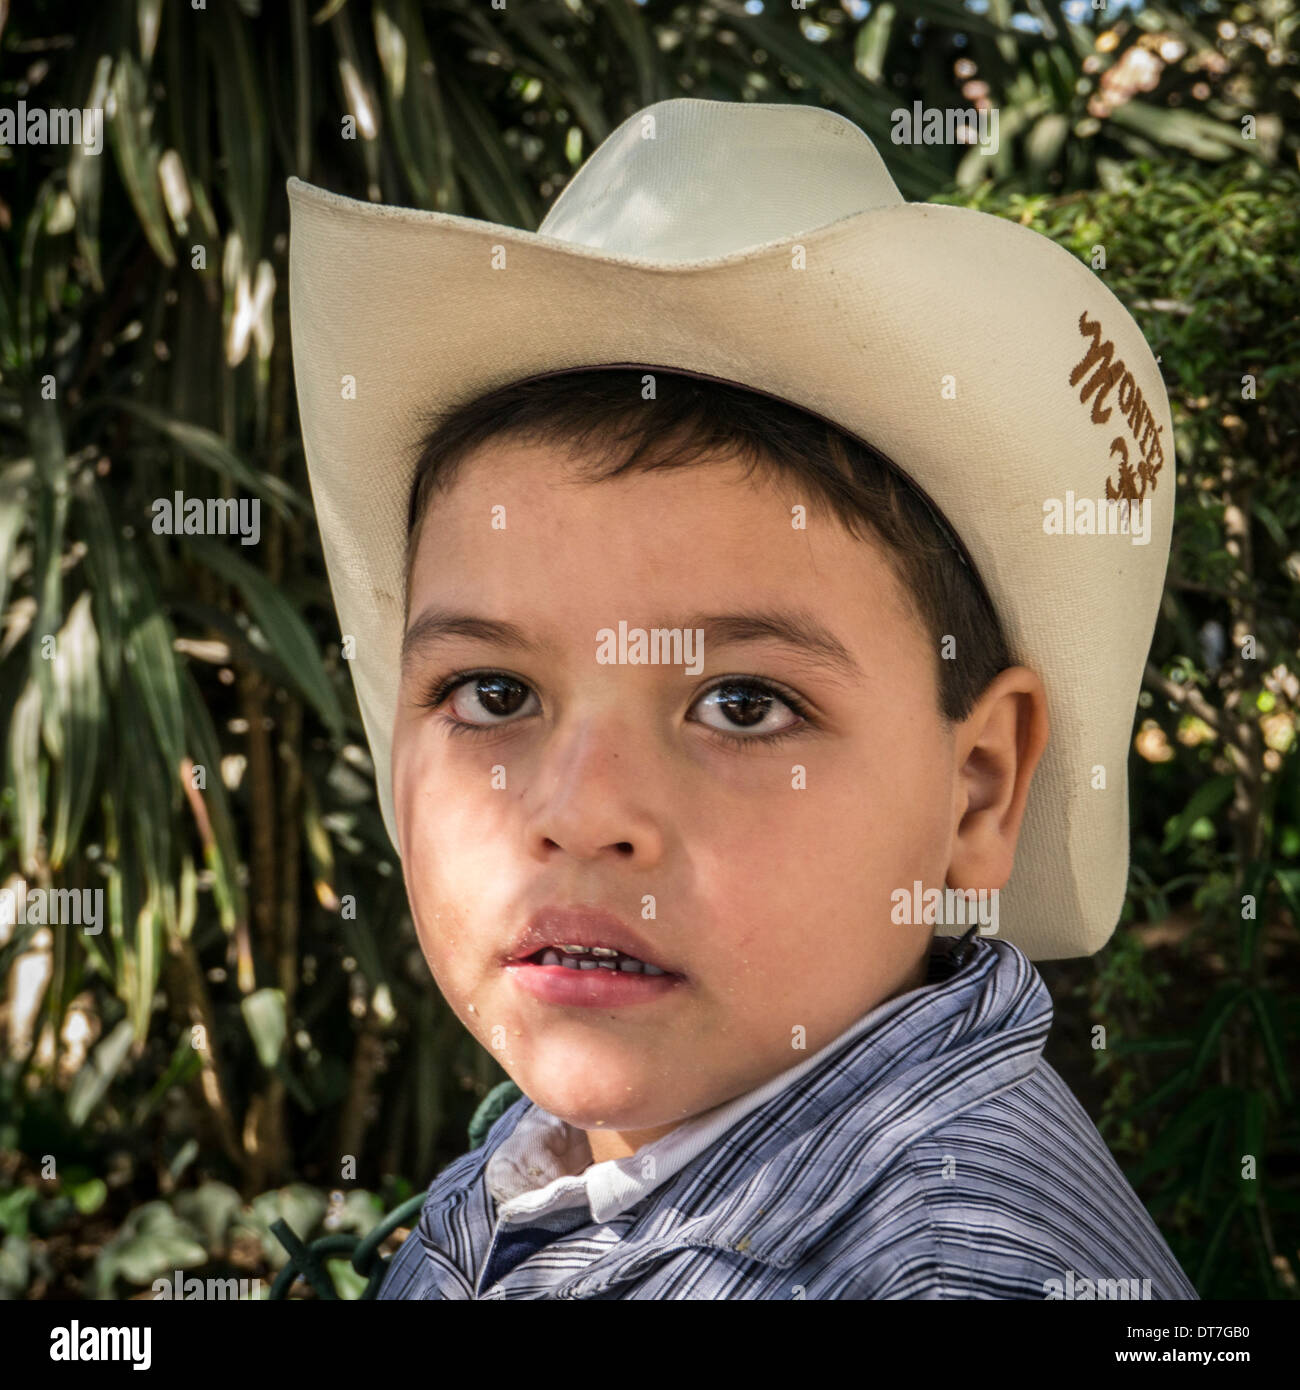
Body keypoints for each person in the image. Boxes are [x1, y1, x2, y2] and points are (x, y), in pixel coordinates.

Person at [286, 98, 1195, 1299]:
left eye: (744, 705)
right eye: (493, 691)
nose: (580, 812)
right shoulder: (574, 1161)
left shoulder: (949, 1276)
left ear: (975, 791)